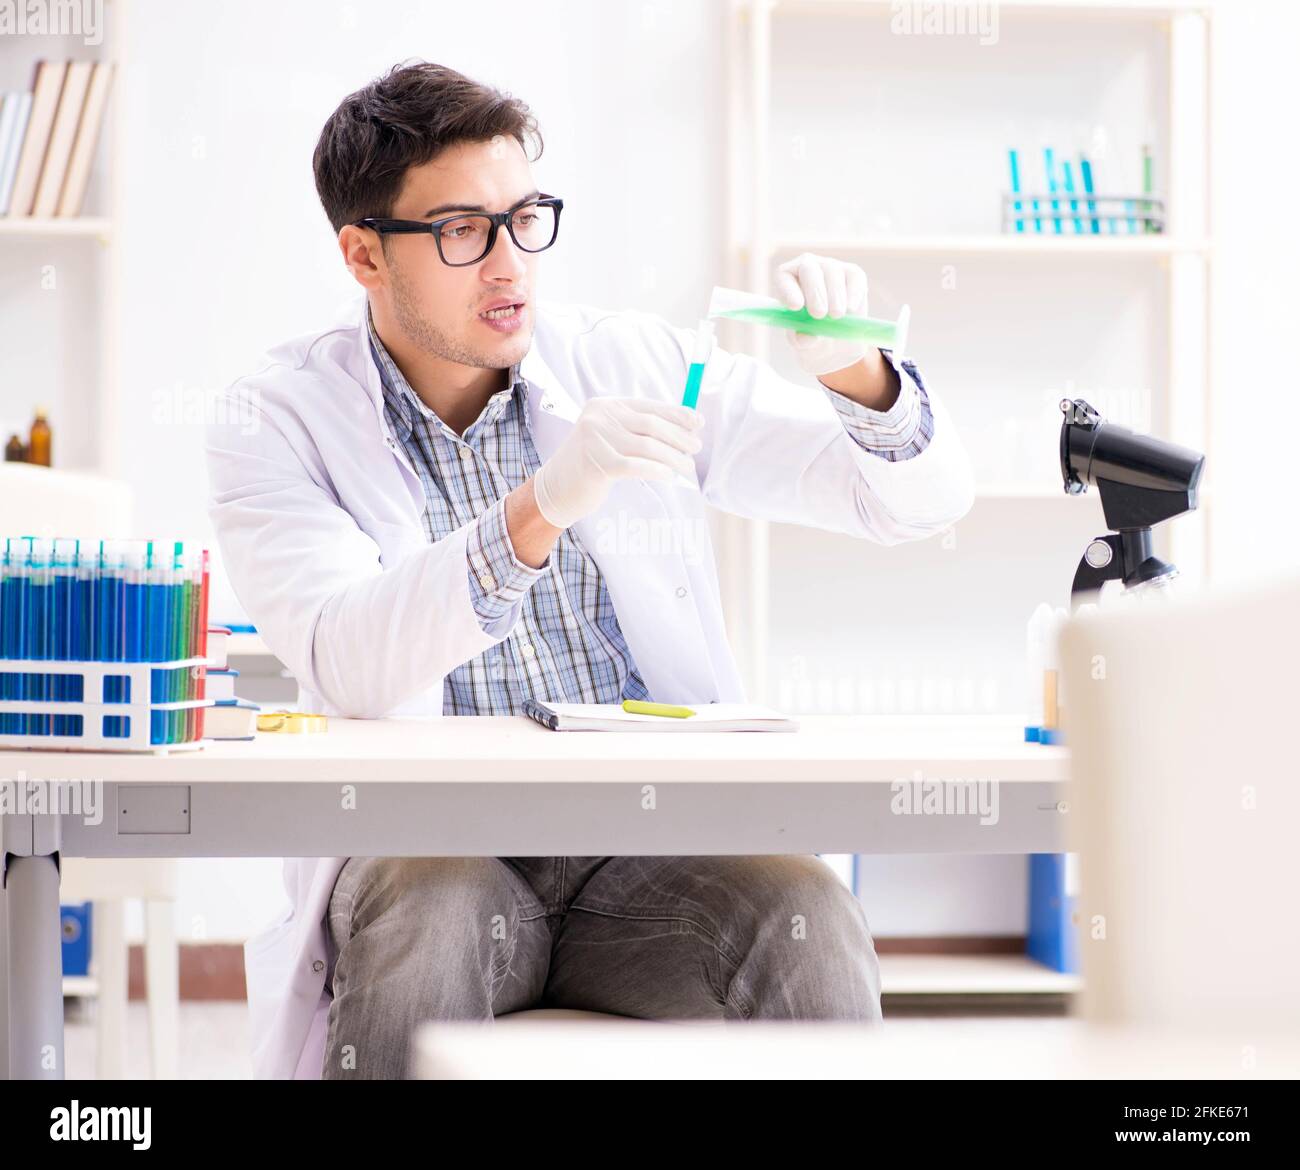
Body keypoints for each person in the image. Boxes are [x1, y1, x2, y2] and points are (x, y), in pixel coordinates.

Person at [206, 61, 975, 1079]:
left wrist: (859, 378)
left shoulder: (631, 363)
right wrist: (539, 508)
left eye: (525, 217)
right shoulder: (277, 418)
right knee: (432, 906)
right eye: (461, 231)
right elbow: (349, 660)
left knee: (804, 914)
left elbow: (910, 503)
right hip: (432, 849)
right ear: (363, 254)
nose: (508, 264)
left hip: (642, 857)